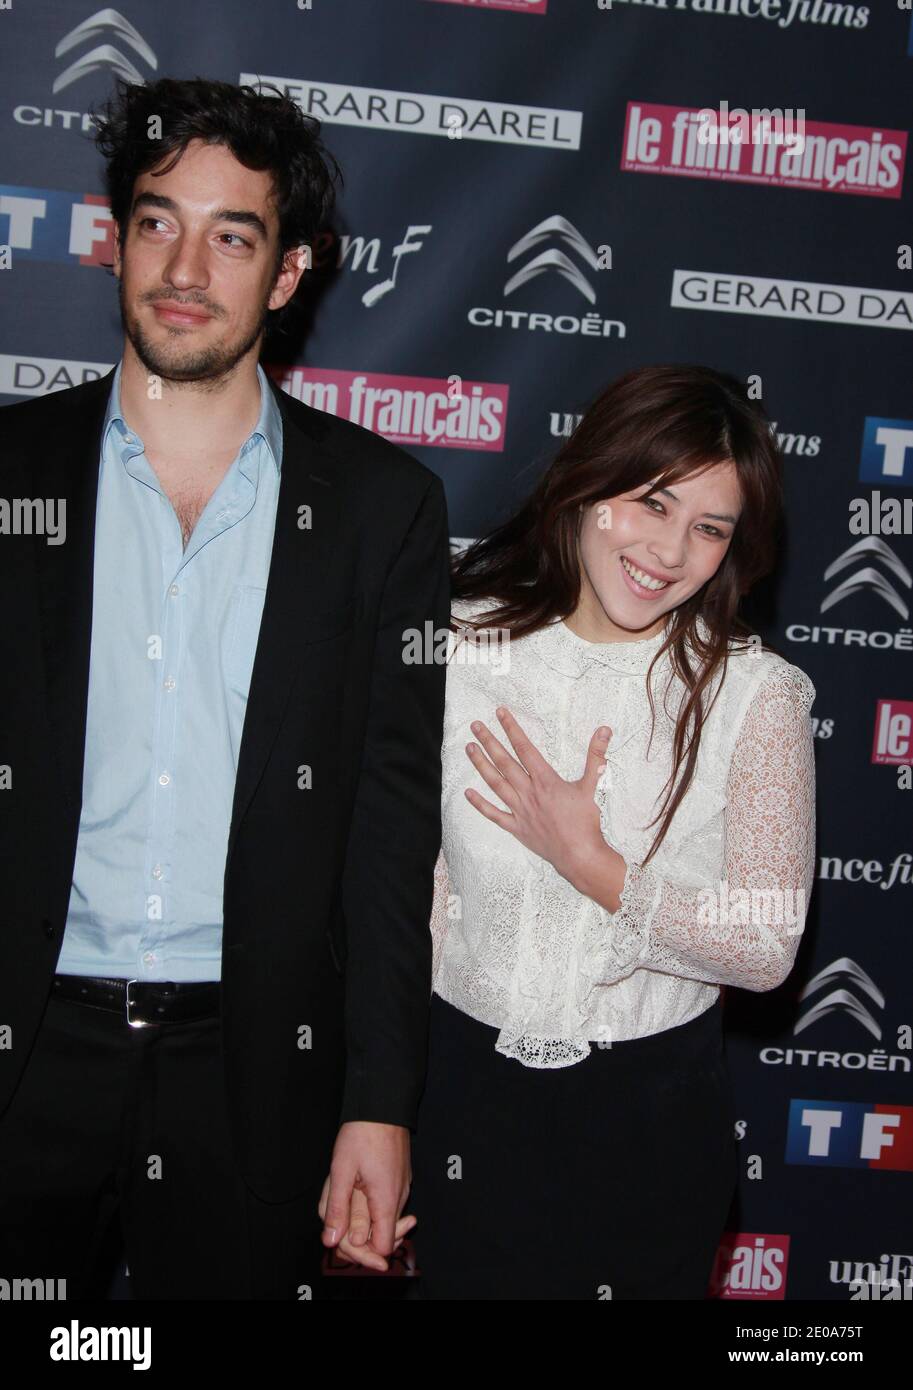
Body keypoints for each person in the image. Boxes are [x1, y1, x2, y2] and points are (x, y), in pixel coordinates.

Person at [0, 77, 450, 1299]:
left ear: (288, 273)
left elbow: (390, 831)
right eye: (158, 222)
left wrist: (378, 1103)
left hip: (251, 1066)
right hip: (27, 1051)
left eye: (232, 235)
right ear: (115, 239)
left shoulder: (380, 511)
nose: (185, 267)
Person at [410, 364, 817, 1300]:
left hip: (649, 1120)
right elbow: (416, 907)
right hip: (455, 1093)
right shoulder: (455, 648)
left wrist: (593, 864)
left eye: (709, 528)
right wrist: (375, 1109)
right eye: (651, 503)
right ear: (588, 483)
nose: (671, 551)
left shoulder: (755, 696)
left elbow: (764, 946)